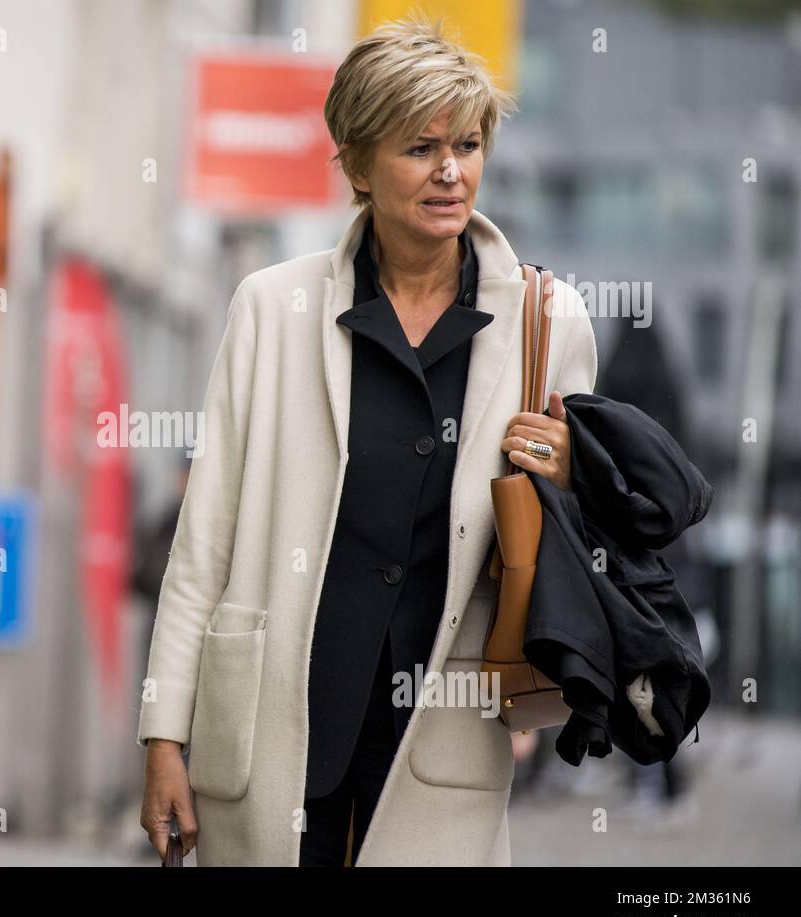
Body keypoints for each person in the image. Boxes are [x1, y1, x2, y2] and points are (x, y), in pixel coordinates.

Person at [138, 18, 599, 866]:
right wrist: (165, 733)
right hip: (276, 727)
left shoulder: (548, 322)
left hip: (443, 733)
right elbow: (205, 540)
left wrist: (573, 476)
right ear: (356, 164)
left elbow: (576, 537)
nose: (451, 170)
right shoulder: (271, 308)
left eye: (467, 143)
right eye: (420, 147)